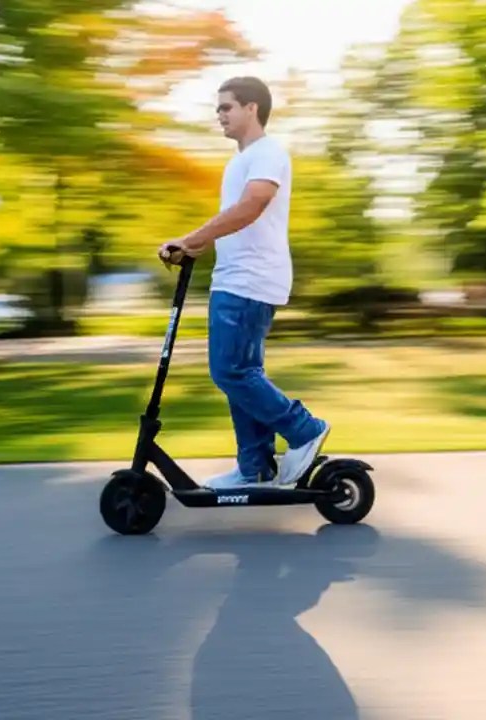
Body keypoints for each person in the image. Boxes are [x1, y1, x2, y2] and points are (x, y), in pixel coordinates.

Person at [158, 76, 330, 490]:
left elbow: (253, 205)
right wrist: (195, 248)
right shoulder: (239, 161)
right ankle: (255, 467)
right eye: (218, 108)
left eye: (226, 107)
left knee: (230, 371)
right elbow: (237, 221)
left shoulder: (268, 153)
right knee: (243, 371)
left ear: (252, 108)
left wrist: (194, 238)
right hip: (236, 277)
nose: (219, 114)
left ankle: (304, 429)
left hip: (250, 280)